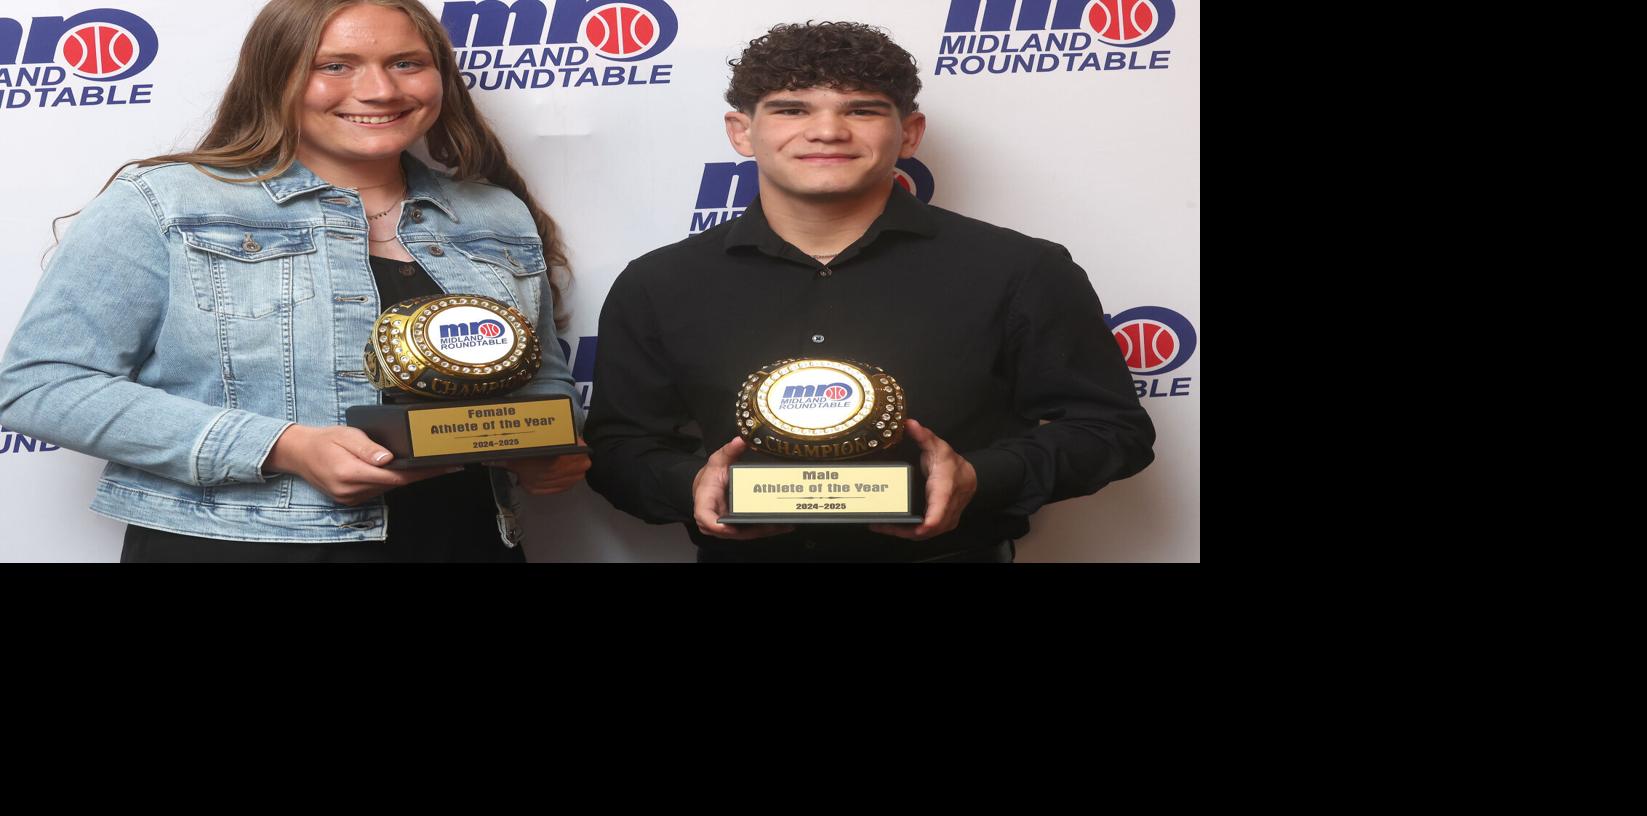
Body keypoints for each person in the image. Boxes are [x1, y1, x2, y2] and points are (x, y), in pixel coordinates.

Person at [0, 0, 589, 562]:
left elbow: (540, 378)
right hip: (234, 547)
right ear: (274, 76)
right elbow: (41, 384)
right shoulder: (164, 204)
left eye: (406, 63)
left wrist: (549, 444)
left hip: (464, 542)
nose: (381, 89)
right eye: (334, 65)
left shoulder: (495, 213)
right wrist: (283, 447)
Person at [583, 21, 1156, 563]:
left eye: (861, 109)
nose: (828, 130)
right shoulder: (658, 283)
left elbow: (1112, 432)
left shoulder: (1022, 269)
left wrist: (980, 477)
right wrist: (692, 485)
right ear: (742, 132)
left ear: (908, 132)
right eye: (791, 109)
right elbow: (617, 450)